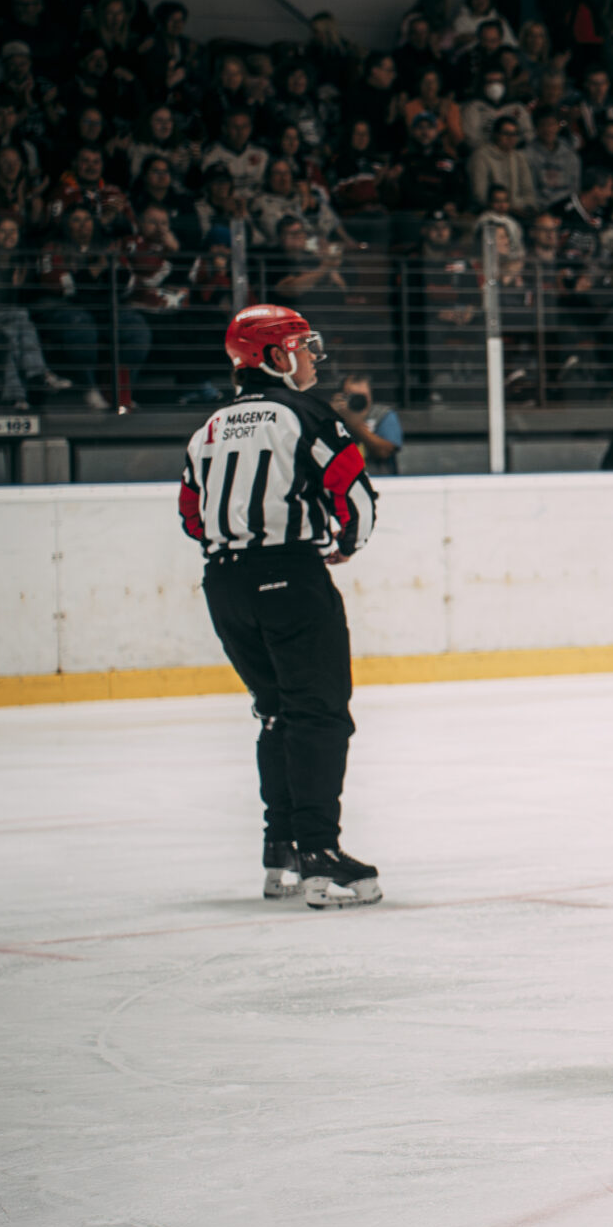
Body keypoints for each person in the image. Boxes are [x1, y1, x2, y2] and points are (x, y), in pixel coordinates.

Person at [177, 306, 382, 909]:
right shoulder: (307, 415)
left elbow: (193, 516)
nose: (313, 356)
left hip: (225, 585)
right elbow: (354, 494)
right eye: (302, 346)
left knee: (275, 712)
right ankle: (320, 853)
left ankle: (282, 851)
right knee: (318, 713)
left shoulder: (207, 429)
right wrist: (341, 543)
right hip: (290, 578)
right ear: (273, 357)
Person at [332, 373, 404, 476]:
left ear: (370, 395)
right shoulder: (335, 417)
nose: (359, 401)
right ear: (343, 397)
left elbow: (385, 451)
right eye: (353, 396)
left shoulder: (383, 415)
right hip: (343, 480)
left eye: (364, 396)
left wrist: (355, 426)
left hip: (381, 480)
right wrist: (331, 415)